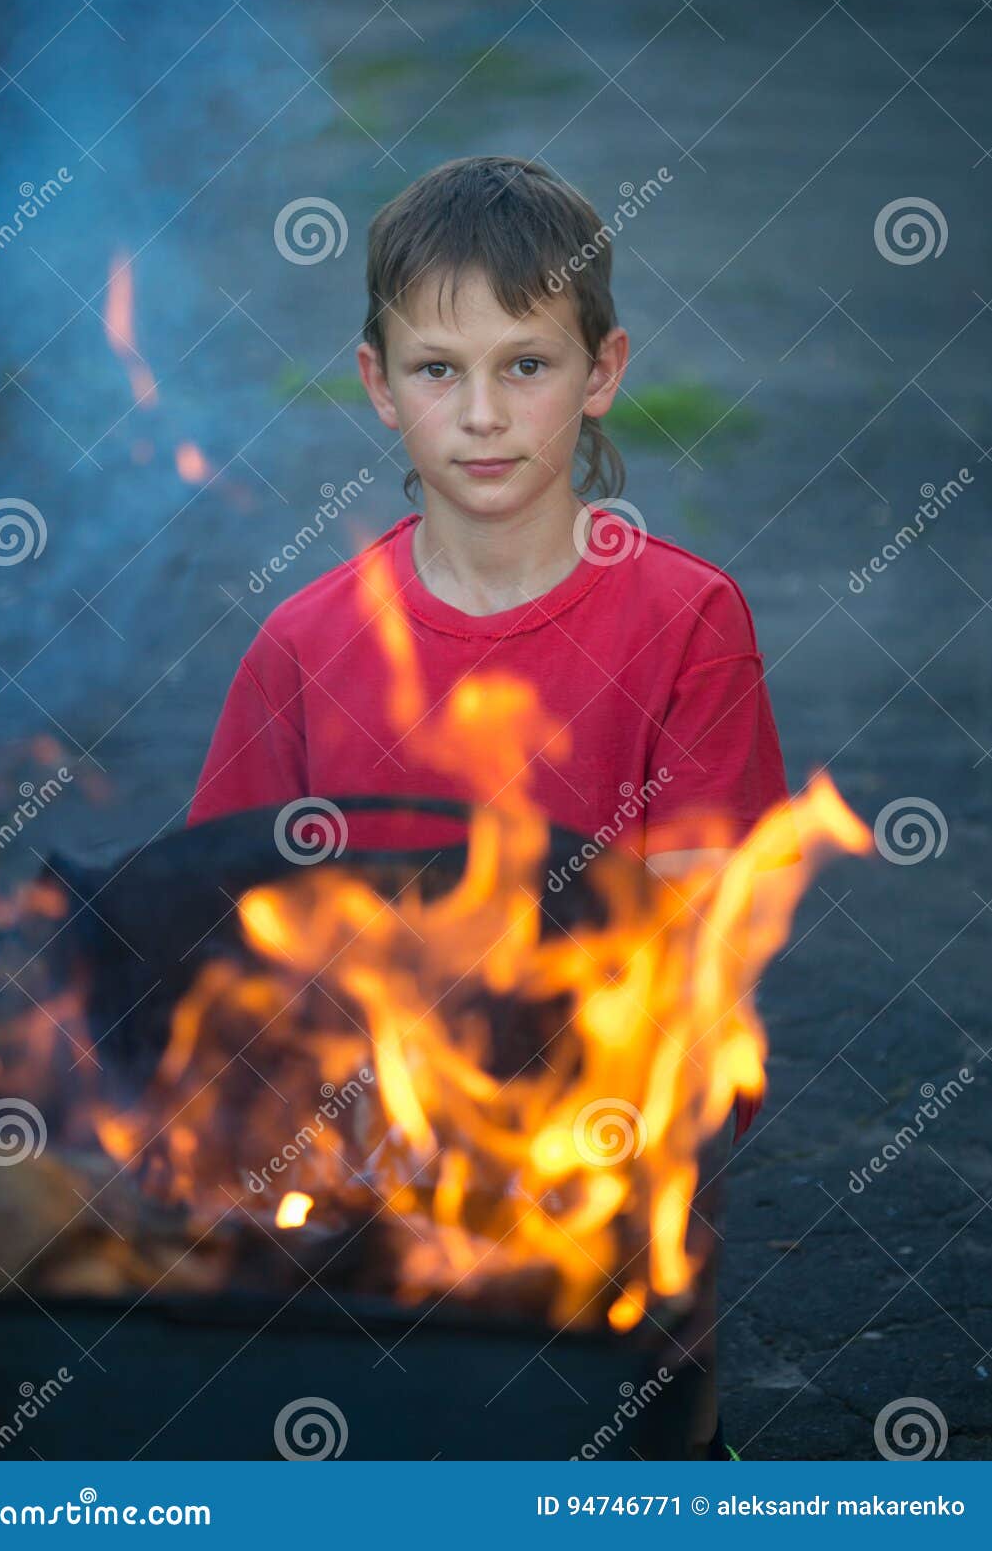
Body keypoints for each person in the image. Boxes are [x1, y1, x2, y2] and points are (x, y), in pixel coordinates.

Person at [186, 155, 795, 1457]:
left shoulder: (689, 621)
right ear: (376, 385)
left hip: (598, 1169)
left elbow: (708, 944)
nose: (482, 414)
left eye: (527, 365)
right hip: (353, 1174)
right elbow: (217, 942)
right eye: (436, 369)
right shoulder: (304, 643)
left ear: (604, 370)